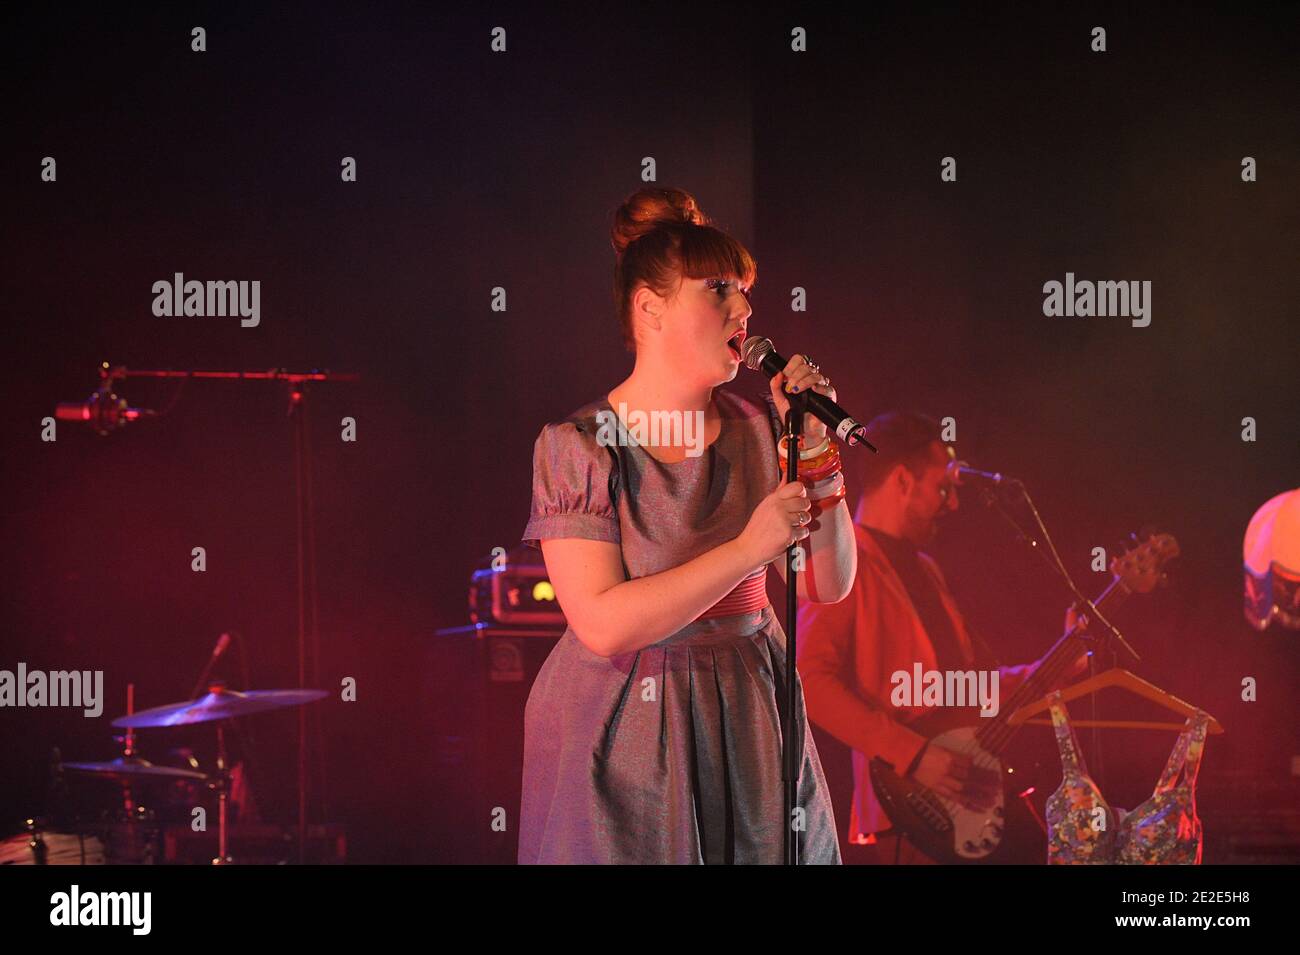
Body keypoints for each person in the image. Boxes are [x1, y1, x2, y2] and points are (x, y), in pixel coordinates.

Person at [517, 187, 857, 863]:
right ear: (650, 308)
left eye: (746, 291)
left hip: (749, 704)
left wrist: (814, 448)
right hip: (627, 721)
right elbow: (604, 623)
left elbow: (830, 582)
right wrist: (748, 549)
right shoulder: (581, 444)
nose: (744, 309)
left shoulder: (759, 431)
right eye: (719, 289)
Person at [796, 411, 1087, 863]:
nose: (951, 505)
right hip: (910, 814)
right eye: (943, 488)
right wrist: (912, 754)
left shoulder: (926, 569)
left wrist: (1058, 665)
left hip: (970, 800)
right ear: (902, 480)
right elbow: (809, 682)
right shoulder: (845, 561)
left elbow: (965, 688)